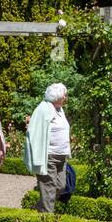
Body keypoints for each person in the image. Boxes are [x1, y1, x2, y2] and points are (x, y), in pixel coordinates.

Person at [24, 84, 72, 213]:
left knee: (61, 186)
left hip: (62, 155)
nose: (66, 97)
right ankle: (46, 221)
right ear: (57, 96)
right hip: (48, 156)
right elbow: (33, 132)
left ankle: (40, 207)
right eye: (64, 95)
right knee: (49, 188)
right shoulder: (43, 109)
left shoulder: (60, 110)